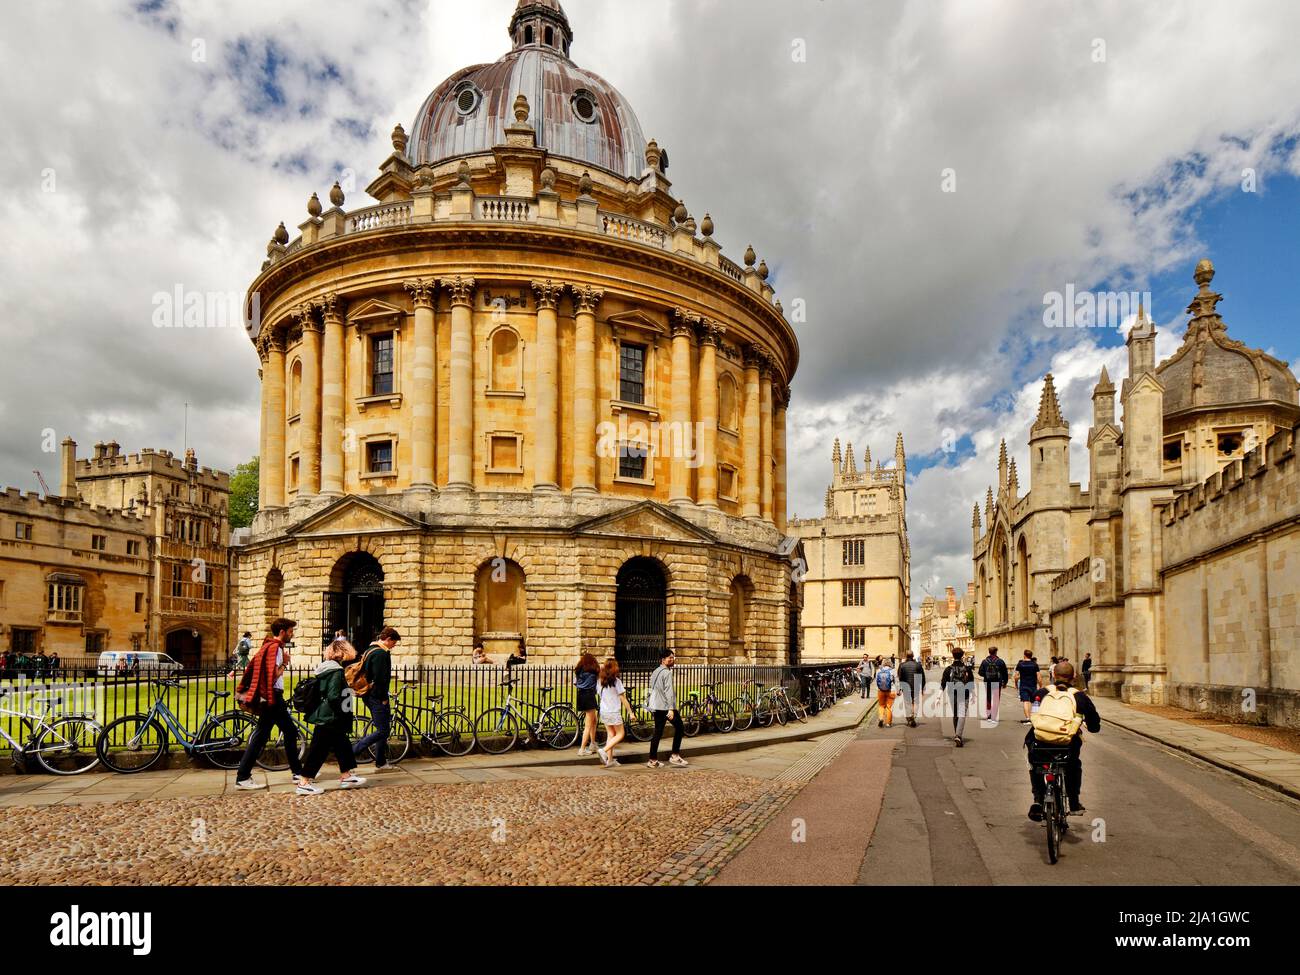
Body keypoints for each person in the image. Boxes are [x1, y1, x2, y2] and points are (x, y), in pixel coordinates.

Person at [234, 618, 306, 790]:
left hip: (270, 697)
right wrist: (284, 663)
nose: (292, 634)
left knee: (274, 734)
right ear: (282, 632)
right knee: (281, 733)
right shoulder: (276, 649)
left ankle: (297, 772)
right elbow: (273, 675)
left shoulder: (267, 646)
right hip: (273, 697)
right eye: (290, 631)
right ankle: (243, 777)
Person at [1026, 661, 1101, 819]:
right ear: (1074, 677)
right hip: (1067, 745)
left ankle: (1038, 800)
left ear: (1053, 674)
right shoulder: (1080, 697)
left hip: (1041, 743)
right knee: (1073, 765)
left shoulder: (1040, 693)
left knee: (1035, 764)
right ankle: (1073, 802)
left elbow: (1034, 716)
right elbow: (1094, 724)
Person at [297, 638, 367, 795]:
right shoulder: (335, 671)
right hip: (330, 716)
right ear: (343, 653)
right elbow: (334, 695)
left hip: (328, 715)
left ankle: (346, 775)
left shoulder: (325, 668)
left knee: (342, 745)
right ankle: (304, 781)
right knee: (318, 750)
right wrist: (345, 701)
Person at [351, 626, 399, 772]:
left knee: (383, 729)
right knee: (383, 730)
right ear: (388, 639)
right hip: (376, 696)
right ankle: (351, 753)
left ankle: (381, 761)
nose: (394, 646)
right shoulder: (380, 653)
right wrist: (383, 698)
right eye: (394, 643)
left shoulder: (370, 649)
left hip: (370, 695)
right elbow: (380, 678)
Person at [647, 649, 688, 768]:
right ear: (663, 660)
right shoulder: (667, 673)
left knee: (658, 733)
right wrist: (671, 708)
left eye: (673, 657)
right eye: (669, 658)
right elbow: (669, 691)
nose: (672, 659)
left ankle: (652, 760)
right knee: (680, 728)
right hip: (666, 706)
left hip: (657, 706)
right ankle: (675, 756)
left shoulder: (655, 671)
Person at [595, 658, 628, 767]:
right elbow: (623, 698)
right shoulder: (616, 681)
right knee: (620, 734)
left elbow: (599, 694)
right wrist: (631, 712)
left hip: (604, 711)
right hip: (613, 711)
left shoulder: (600, 681)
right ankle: (603, 750)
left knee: (611, 734)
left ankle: (609, 760)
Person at [941, 647, 974, 746]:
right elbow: (971, 682)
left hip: (952, 693)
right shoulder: (967, 668)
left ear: (952, 655)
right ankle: (958, 735)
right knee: (962, 714)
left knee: (956, 714)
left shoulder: (948, 669)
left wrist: (939, 696)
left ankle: (957, 734)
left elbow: (943, 683)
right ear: (962, 655)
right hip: (965, 693)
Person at [574, 652, 600, 756]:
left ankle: (593, 744)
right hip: (589, 696)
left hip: (580, 695)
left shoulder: (579, 671)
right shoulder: (594, 672)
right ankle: (582, 749)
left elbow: (575, 683)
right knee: (588, 725)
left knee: (594, 720)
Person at [977, 646, 1008, 724]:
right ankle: (994, 717)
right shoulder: (1000, 661)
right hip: (997, 682)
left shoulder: (984, 661)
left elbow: (980, 672)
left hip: (987, 682)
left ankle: (989, 716)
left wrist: (986, 675)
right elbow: (1005, 673)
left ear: (989, 652)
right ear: (996, 652)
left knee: (988, 698)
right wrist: (1005, 682)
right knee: (996, 699)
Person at [897, 650, 924, 727]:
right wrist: (922, 688)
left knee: (907, 703)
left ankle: (909, 717)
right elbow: (922, 677)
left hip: (906, 686)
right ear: (913, 656)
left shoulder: (902, 665)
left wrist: (899, 688)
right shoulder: (918, 665)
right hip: (916, 686)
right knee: (916, 702)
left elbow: (900, 678)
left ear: (906, 656)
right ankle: (913, 716)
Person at [1015, 649, 1040, 724]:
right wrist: (1040, 685)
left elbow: (1016, 676)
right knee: (1032, 702)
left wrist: (1016, 684)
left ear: (1024, 655)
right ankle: (1033, 717)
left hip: (1024, 685)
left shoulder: (1020, 664)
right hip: (1033, 685)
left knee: (1026, 701)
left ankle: (1028, 718)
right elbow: (1039, 676)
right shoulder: (1035, 664)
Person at [874, 657, 896, 728]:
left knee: (881, 705)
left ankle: (881, 718)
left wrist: (878, 689)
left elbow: (876, 681)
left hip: (880, 690)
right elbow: (896, 681)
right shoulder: (892, 670)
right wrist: (899, 690)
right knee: (889, 707)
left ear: (883, 663)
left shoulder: (878, 670)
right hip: (891, 690)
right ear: (890, 663)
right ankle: (888, 723)